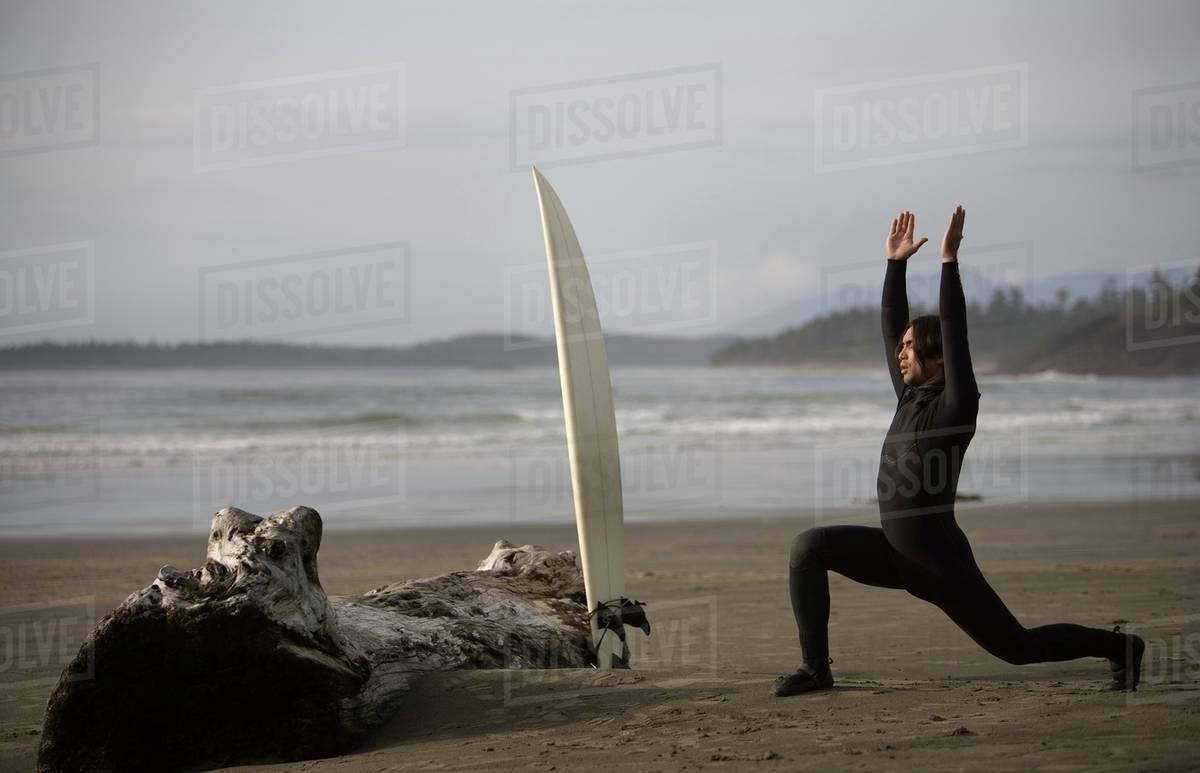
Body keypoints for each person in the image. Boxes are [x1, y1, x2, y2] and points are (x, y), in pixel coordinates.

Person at [773, 207, 1145, 696]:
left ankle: (1120, 648)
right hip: (893, 553)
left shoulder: (956, 406)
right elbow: (890, 324)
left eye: (912, 346)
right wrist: (894, 264)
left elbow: (955, 330)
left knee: (1017, 646)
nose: (900, 352)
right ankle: (816, 670)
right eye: (901, 346)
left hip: (939, 564)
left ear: (938, 358)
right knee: (808, 547)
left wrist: (948, 261)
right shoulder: (908, 396)